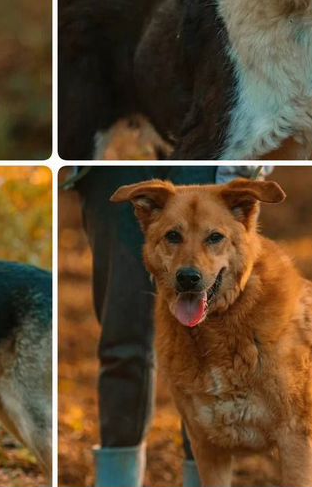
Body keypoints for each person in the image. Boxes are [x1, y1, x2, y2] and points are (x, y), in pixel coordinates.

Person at [70, 166, 270, 487]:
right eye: (174, 239)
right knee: (121, 341)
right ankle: (116, 481)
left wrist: (245, 165)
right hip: (116, 166)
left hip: (205, 161)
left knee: (213, 354)